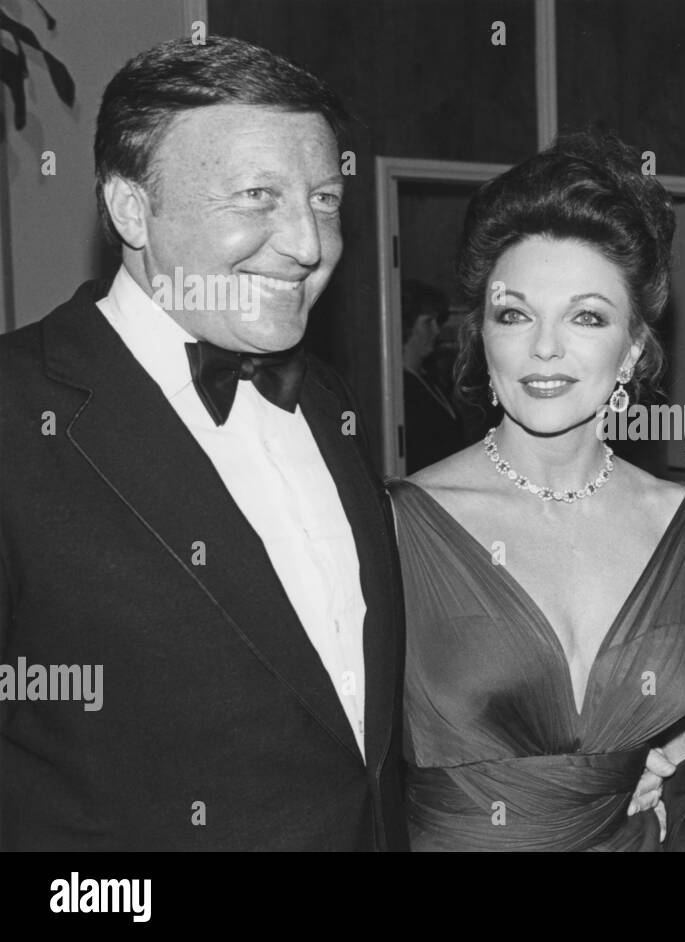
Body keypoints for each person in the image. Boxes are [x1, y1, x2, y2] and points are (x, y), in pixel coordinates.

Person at [0, 37, 407, 849]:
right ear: (131, 210)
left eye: (325, 199)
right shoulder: (16, 413)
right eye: (258, 195)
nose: (308, 243)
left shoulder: (326, 399)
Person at [389, 131, 685, 851]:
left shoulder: (683, 524)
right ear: (482, 336)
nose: (544, 347)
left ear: (633, 348)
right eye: (514, 314)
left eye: (586, 316)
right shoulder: (398, 525)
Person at [401, 280, 466, 469]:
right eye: (428, 322)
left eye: (438, 322)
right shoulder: (400, 387)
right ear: (407, 325)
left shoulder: (429, 378)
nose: (437, 331)